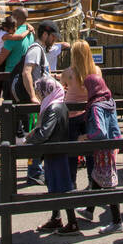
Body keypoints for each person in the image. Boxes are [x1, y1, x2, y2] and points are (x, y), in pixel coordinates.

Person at [71, 40, 123, 233]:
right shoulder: (109, 100)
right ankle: (90, 209)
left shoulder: (95, 106)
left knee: (107, 181)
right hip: (113, 141)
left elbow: (100, 131)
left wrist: (86, 137)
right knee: (96, 175)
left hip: (103, 144)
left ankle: (117, 221)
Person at [26, 76, 81, 235]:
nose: (39, 95)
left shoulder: (53, 107)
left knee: (61, 187)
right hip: (55, 151)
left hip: (56, 152)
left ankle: (72, 223)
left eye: (40, 92)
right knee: (55, 185)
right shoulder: (57, 104)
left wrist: (29, 141)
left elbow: (44, 133)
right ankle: (56, 218)